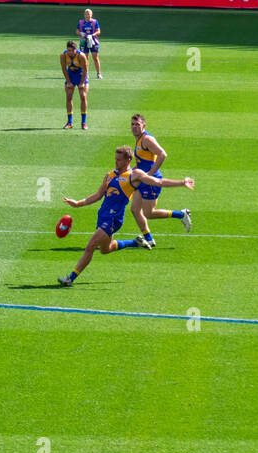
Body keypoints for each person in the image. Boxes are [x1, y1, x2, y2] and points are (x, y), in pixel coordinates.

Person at [58, 145, 195, 287]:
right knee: (106, 249)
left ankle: (70, 278)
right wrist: (78, 203)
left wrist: (181, 182)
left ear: (128, 159)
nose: (116, 162)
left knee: (90, 246)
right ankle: (135, 243)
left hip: (114, 218)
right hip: (102, 216)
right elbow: (98, 195)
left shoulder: (135, 176)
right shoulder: (109, 175)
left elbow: (158, 182)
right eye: (115, 159)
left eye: (119, 160)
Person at [128, 113, 190, 246]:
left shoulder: (147, 140)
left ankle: (181, 215)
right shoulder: (139, 139)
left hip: (150, 181)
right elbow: (143, 160)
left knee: (149, 213)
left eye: (137, 125)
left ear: (143, 125)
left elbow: (163, 154)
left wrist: (150, 173)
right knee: (134, 209)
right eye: (132, 125)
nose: (134, 127)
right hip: (142, 180)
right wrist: (132, 170)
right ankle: (149, 238)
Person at [61, 41, 89, 130]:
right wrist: (68, 82)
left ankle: (83, 123)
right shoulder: (63, 55)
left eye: (71, 51)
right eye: (68, 50)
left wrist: (81, 83)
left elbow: (85, 70)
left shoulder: (81, 56)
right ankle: (69, 122)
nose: (69, 52)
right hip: (71, 74)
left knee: (83, 96)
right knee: (69, 96)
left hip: (81, 74)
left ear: (75, 50)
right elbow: (64, 69)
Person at [77, 9, 102, 80]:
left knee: (95, 58)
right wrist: (81, 34)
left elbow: (98, 31)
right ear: (84, 15)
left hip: (93, 41)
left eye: (89, 14)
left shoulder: (94, 22)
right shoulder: (81, 22)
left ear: (91, 15)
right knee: (85, 58)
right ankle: (86, 74)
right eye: (86, 14)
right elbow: (77, 31)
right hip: (84, 42)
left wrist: (92, 35)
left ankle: (98, 73)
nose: (87, 15)